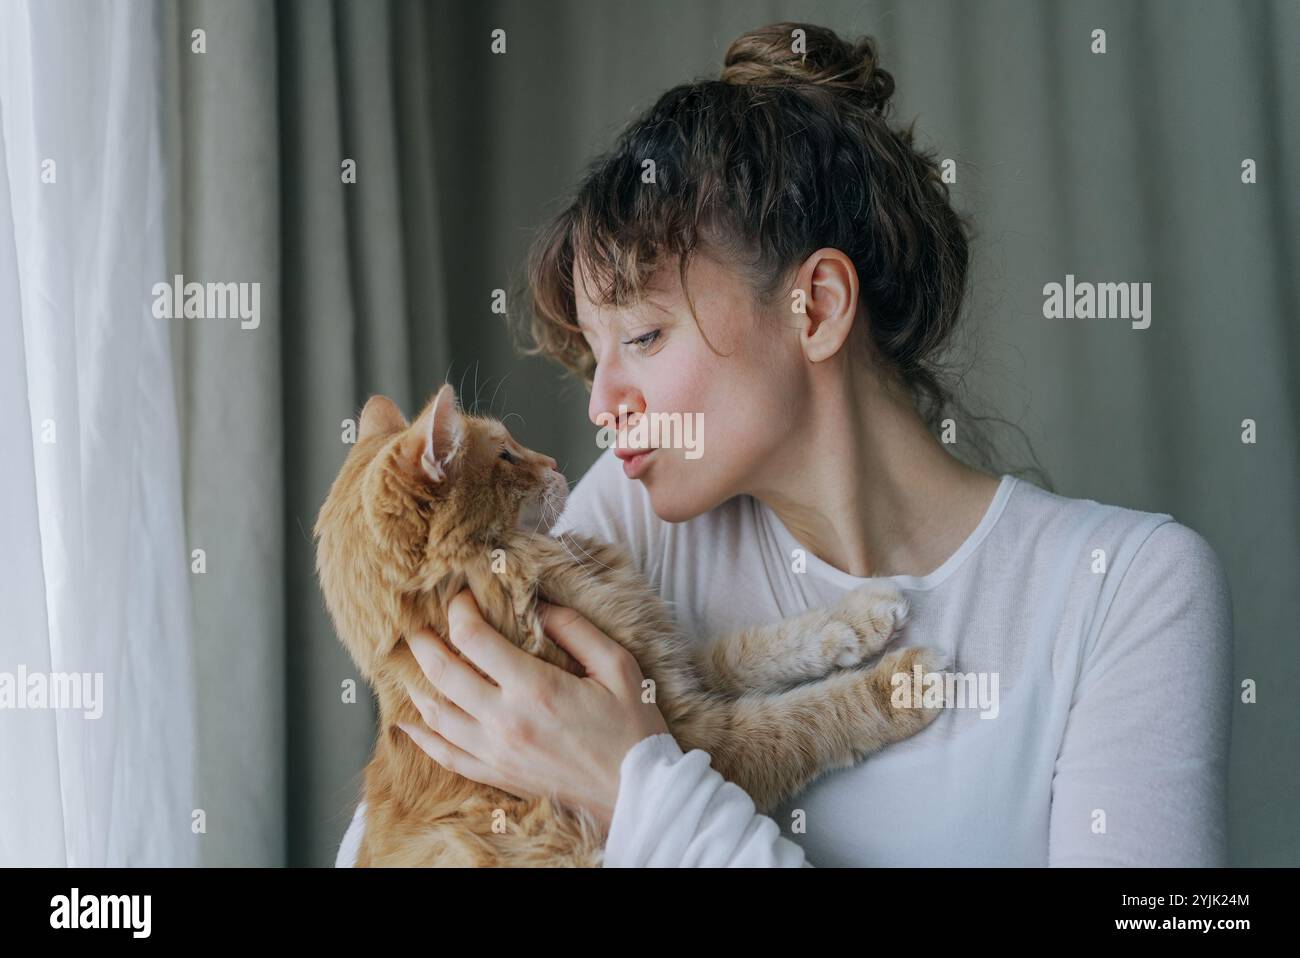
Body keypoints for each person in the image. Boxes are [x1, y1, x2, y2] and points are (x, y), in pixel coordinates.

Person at [335, 21, 1231, 868]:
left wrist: (639, 792)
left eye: (644, 339)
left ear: (818, 307)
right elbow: (392, 835)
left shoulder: (1130, 592)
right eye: (593, 356)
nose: (603, 404)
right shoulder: (620, 524)